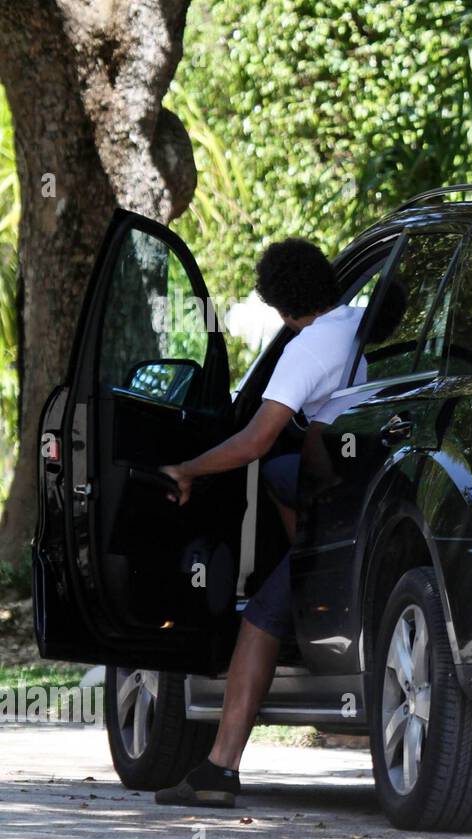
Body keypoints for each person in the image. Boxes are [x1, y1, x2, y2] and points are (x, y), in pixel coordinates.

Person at [154, 239, 364, 808]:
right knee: (279, 472)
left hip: (342, 508)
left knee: (262, 618)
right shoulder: (359, 323)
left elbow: (253, 439)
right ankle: (306, 561)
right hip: (359, 492)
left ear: (278, 307)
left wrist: (188, 469)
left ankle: (220, 769)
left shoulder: (305, 349)